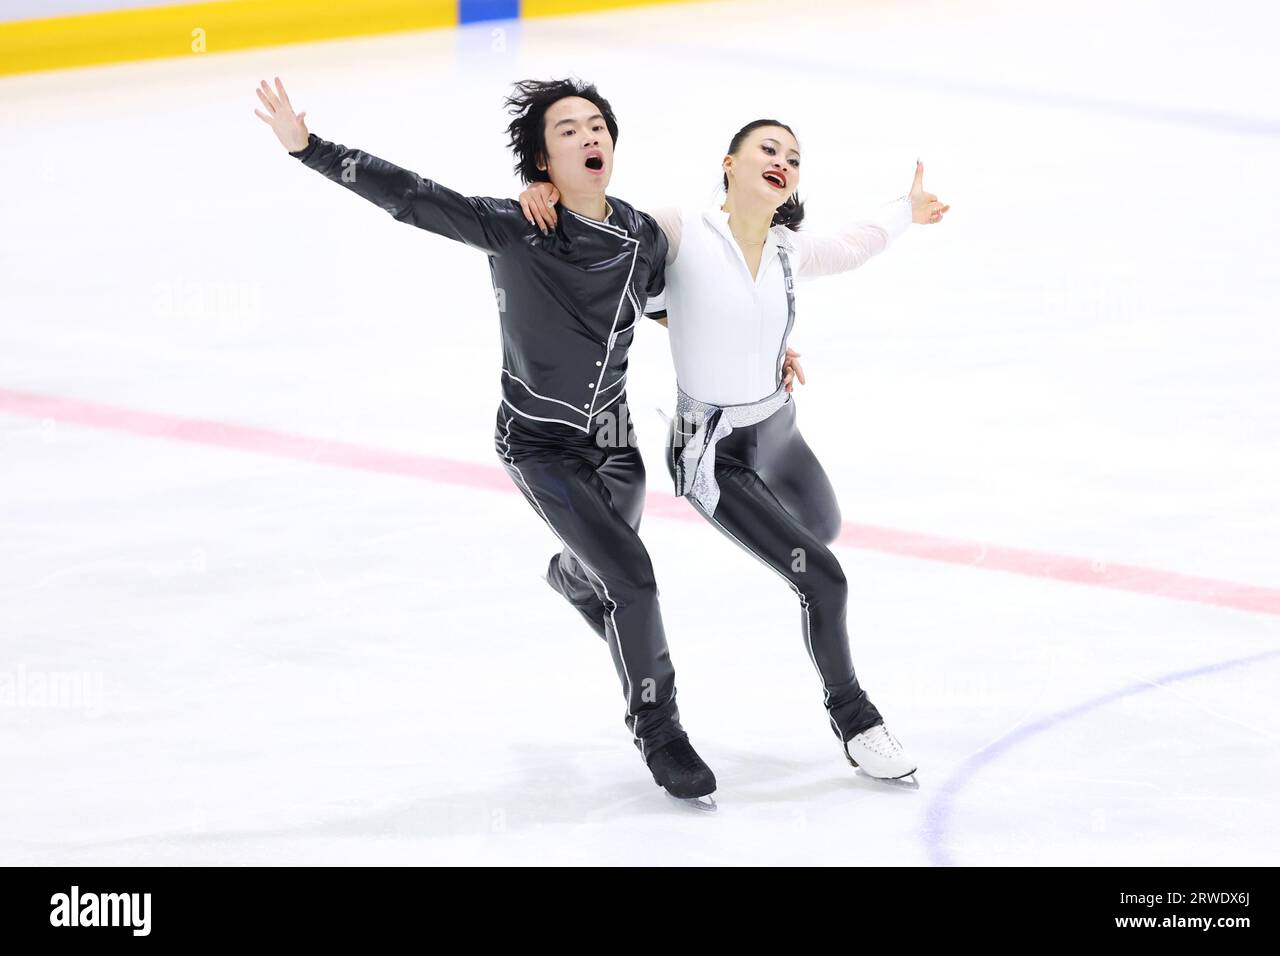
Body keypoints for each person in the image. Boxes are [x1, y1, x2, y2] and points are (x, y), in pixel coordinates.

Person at [252, 75, 781, 808]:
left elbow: (687, 306)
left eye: (597, 125)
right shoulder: (514, 225)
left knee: (605, 569)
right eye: (568, 130)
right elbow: (413, 196)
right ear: (542, 162)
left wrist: (765, 351)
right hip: (539, 444)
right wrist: (310, 149)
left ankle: (571, 576)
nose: (590, 136)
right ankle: (659, 730)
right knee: (631, 577)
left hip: (614, 438)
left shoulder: (641, 236)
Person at [519, 118, 949, 780]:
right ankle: (856, 720)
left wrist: (906, 212)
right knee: (824, 579)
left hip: (776, 432)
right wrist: (543, 192)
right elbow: (608, 230)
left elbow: (853, 245)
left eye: (794, 158)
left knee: (823, 532)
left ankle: (575, 575)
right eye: (769, 150)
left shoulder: (786, 249)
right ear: (730, 164)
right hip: (711, 450)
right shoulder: (682, 230)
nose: (783, 162)